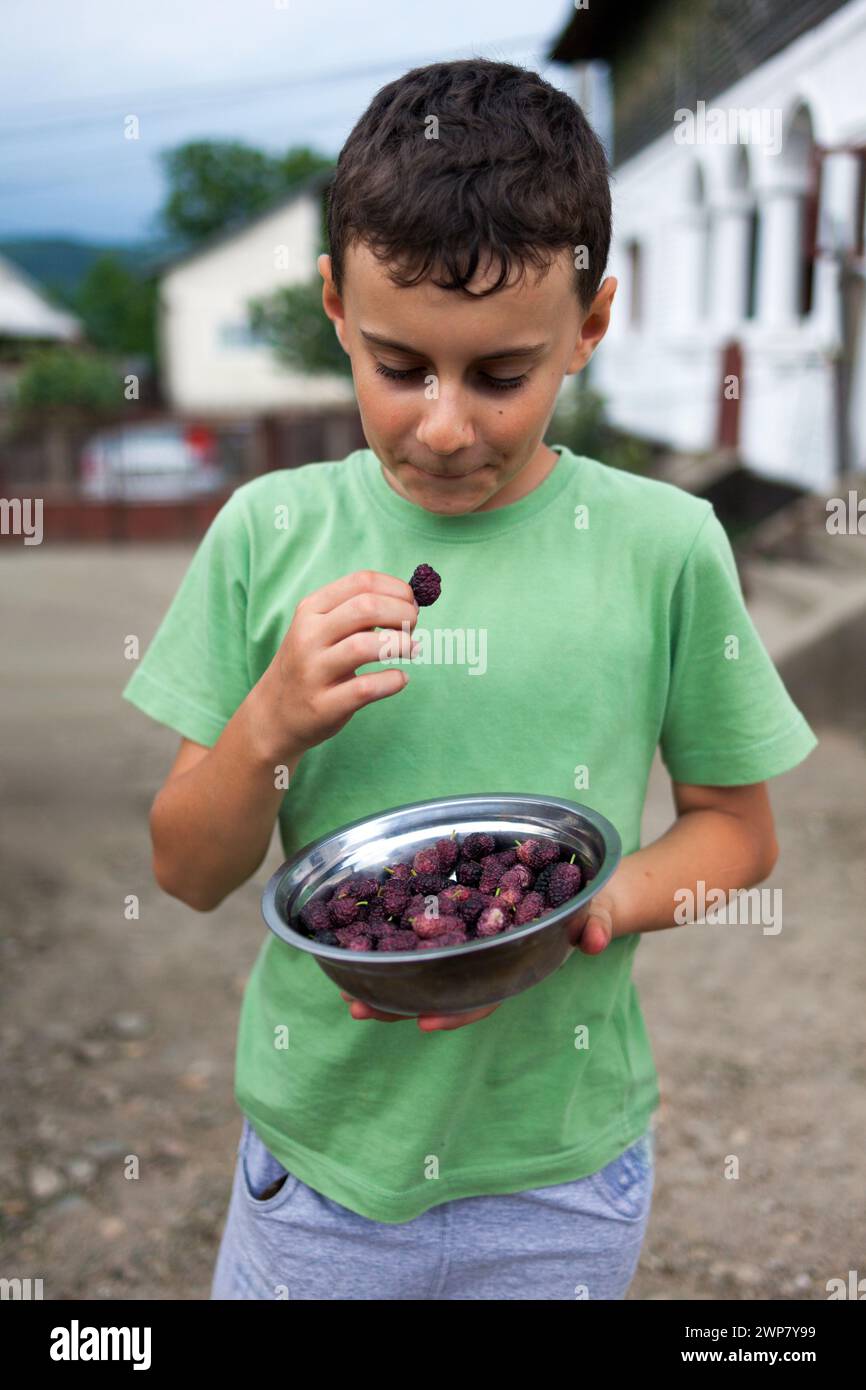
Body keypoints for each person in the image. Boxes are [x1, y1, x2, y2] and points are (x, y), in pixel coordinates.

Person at [122, 59, 818, 1300]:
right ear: (335, 305)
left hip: (558, 1172)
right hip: (321, 1169)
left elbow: (735, 837)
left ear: (590, 325)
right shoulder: (262, 534)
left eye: (500, 375)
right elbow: (186, 870)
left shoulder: (663, 546)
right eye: (400, 368)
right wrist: (269, 722)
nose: (445, 425)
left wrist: (581, 914)